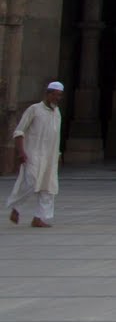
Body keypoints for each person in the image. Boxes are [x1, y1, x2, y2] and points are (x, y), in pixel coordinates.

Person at [8, 81, 64, 228]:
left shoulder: (57, 112)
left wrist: (58, 154)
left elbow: (56, 136)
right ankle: (16, 207)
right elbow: (19, 131)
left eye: (60, 95)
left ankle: (39, 218)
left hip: (50, 157)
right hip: (33, 154)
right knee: (31, 182)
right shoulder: (34, 109)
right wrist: (21, 152)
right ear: (48, 94)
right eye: (56, 95)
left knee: (48, 187)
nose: (58, 98)